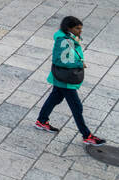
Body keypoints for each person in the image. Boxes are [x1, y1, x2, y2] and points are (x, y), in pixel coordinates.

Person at [35, 16, 106, 144]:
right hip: (65, 79)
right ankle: (87, 135)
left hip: (62, 77)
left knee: (55, 98)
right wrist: (79, 64)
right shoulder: (63, 41)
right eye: (77, 28)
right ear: (69, 28)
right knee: (76, 107)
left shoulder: (69, 37)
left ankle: (41, 121)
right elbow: (58, 59)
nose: (80, 31)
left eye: (81, 28)